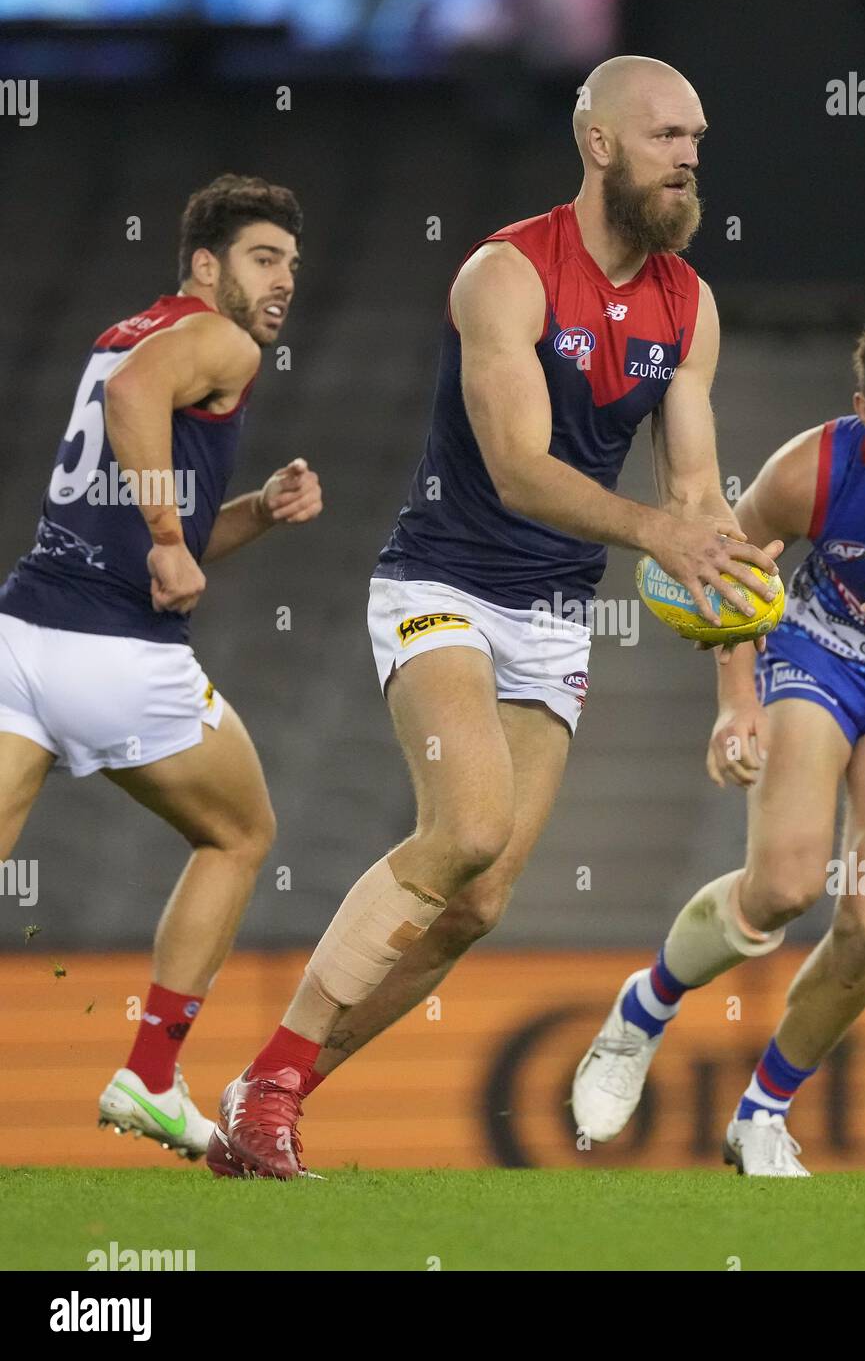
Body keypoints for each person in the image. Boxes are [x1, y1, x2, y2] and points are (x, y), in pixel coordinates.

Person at [209, 57, 779, 1179]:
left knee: (477, 905)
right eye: (667, 136)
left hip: (555, 617)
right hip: (441, 588)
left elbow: (700, 504)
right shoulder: (504, 277)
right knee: (465, 824)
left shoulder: (688, 305)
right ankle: (270, 1085)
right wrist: (659, 533)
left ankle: (265, 1091)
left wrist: (737, 688)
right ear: (600, 144)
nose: (690, 157)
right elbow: (519, 470)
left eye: (698, 138)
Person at [573, 308, 865, 1176]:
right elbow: (725, 567)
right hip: (817, 653)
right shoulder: (811, 466)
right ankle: (641, 1014)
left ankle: (762, 1114)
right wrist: (735, 702)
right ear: (864, 407)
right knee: (784, 887)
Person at [0, 174, 321, 1159]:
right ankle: (148, 1072)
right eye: (264, 260)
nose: (282, 283)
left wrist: (255, 512)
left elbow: (134, 446)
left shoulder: (121, 333)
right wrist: (166, 536)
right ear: (204, 265)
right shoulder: (215, 343)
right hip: (115, 652)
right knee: (241, 833)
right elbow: (146, 439)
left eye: (293, 267)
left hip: (20, 639)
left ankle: (150, 1076)